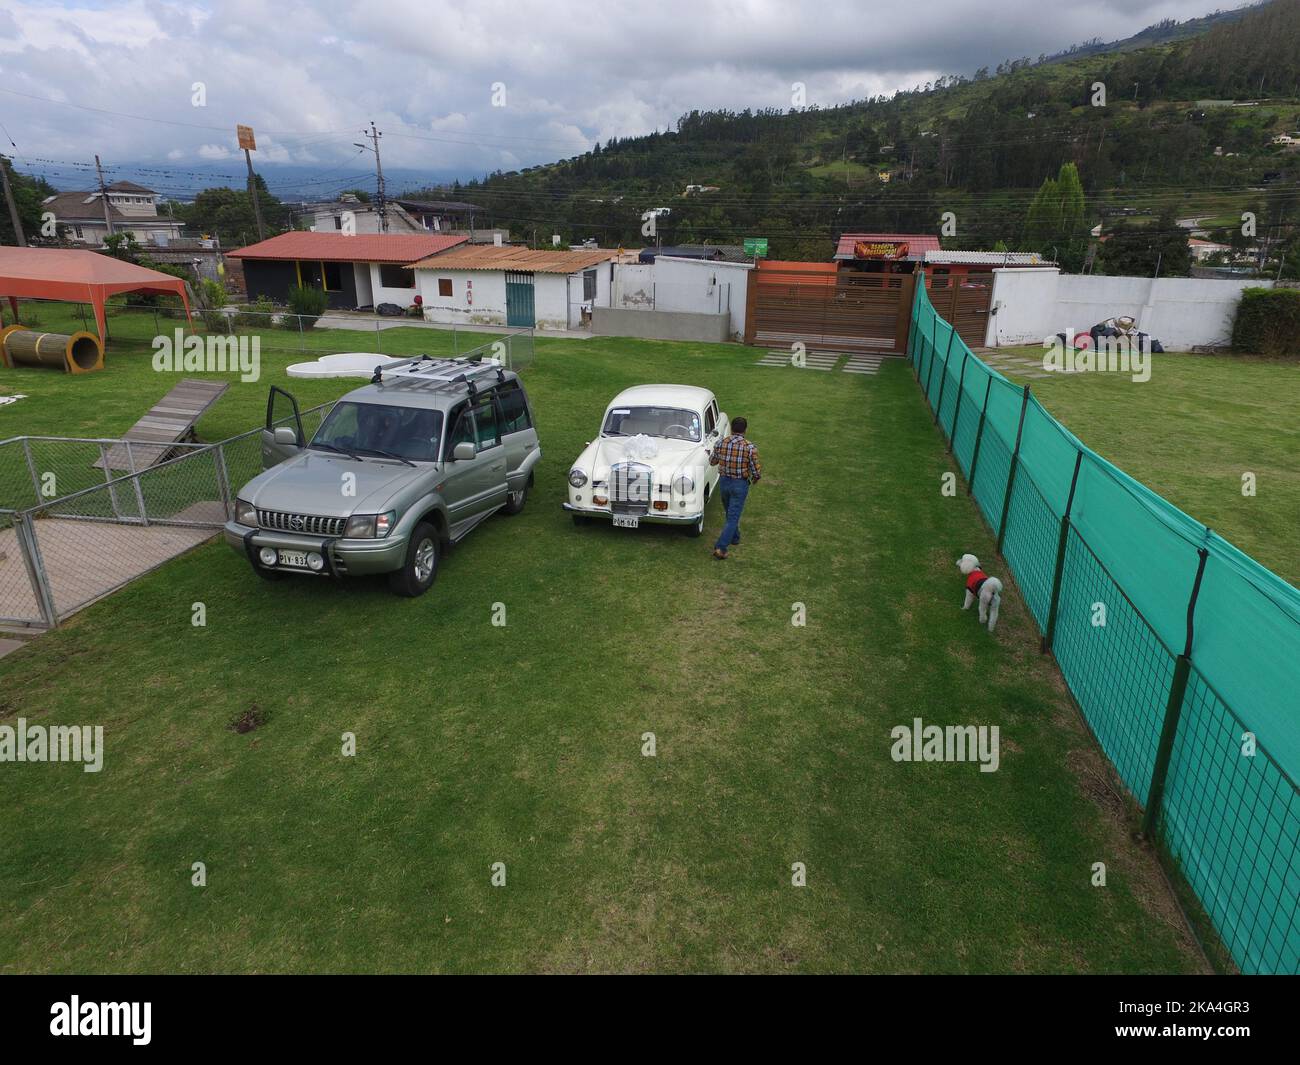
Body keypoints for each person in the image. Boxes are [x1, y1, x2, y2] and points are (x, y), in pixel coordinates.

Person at [708, 416, 760, 560]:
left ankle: (735, 537)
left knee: (730, 512)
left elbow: (712, 462)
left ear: (731, 428)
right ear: (745, 430)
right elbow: (755, 469)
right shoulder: (750, 447)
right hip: (740, 484)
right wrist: (756, 478)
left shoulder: (721, 443)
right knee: (733, 516)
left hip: (724, 482)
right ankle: (721, 547)